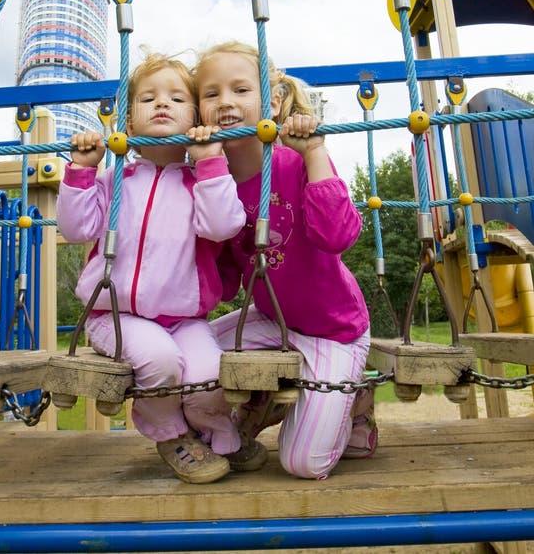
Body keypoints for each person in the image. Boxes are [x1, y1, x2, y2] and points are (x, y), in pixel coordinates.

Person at [56, 52, 254, 484]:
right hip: (115, 315)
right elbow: (75, 228)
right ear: (128, 124)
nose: (162, 103)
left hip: (184, 319)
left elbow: (223, 225)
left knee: (209, 374)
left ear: (195, 120)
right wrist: (81, 171)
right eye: (148, 98)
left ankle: (213, 432)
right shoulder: (114, 181)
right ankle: (172, 435)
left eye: (177, 98)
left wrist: (211, 161)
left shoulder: (201, 182)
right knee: (161, 362)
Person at [194, 40, 376, 480]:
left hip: (334, 329)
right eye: (212, 93)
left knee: (303, 464)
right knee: (189, 361)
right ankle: (263, 397)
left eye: (241, 90)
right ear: (198, 110)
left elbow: (338, 236)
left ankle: (357, 401)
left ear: (272, 102)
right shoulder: (211, 180)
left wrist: (315, 153)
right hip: (272, 321)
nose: (226, 102)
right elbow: (225, 282)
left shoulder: (297, 161)